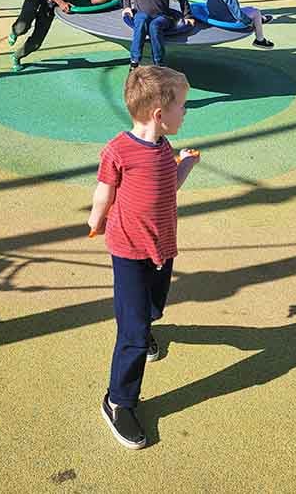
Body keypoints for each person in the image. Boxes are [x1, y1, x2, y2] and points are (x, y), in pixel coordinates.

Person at [87, 65, 200, 449]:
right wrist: (95, 219)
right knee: (132, 333)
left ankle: (146, 326)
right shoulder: (119, 150)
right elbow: (105, 191)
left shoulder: (163, 148)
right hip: (129, 250)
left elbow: (168, 186)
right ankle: (118, 400)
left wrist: (185, 166)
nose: (185, 111)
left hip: (161, 246)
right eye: (182, 106)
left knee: (155, 307)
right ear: (158, 114)